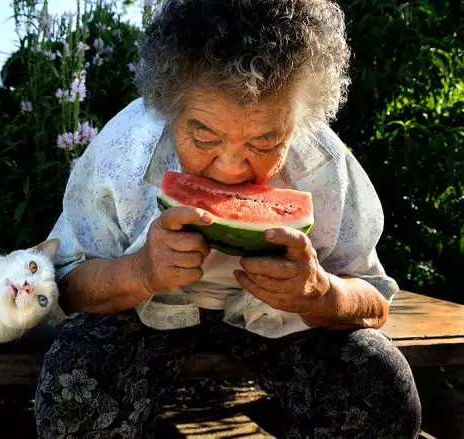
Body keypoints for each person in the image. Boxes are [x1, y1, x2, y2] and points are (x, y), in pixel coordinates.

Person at [35, 0, 422, 437]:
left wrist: (320, 293)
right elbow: (64, 287)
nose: (231, 169)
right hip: (141, 315)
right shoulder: (125, 151)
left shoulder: (324, 165)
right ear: (168, 107)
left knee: (381, 391)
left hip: (284, 324)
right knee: (74, 395)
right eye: (203, 136)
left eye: (265, 140)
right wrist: (139, 272)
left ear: (299, 121)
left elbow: (374, 300)